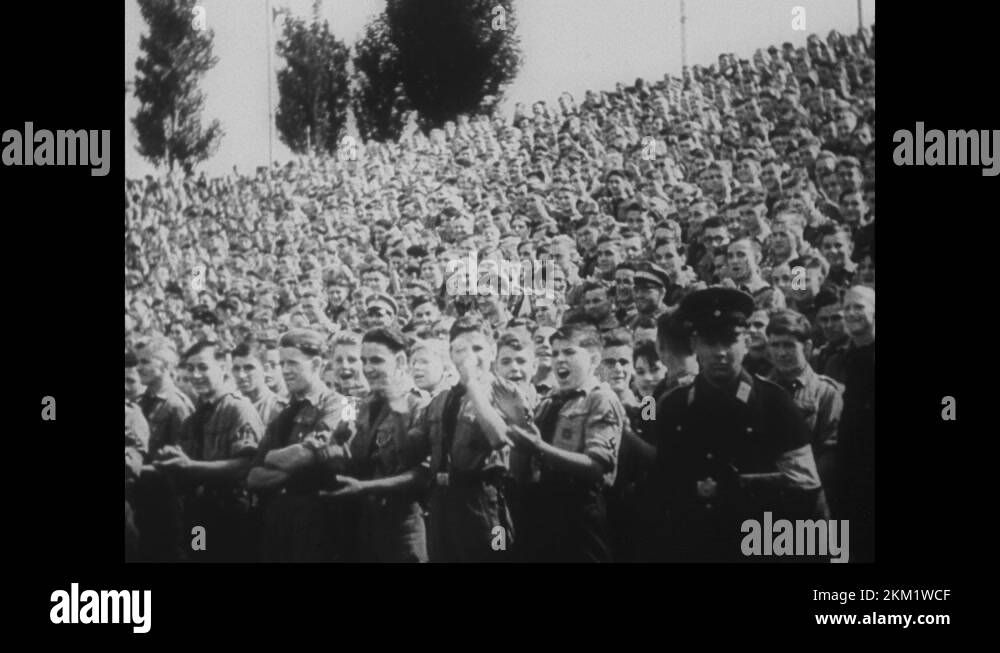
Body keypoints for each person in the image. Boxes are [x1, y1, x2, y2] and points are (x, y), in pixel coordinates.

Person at [651, 288, 825, 562]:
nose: (720, 352)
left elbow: (805, 489)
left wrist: (733, 487)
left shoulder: (775, 402)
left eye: (730, 341)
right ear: (695, 344)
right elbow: (661, 489)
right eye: (710, 341)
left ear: (745, 342)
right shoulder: (673, 406)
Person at [409, 316, 523, 562]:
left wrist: (472, 382)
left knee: (497, 555)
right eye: (460, 350)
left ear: (492, 352)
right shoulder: (441, 399)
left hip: (487, 502)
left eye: (478, 348)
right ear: (451, 354)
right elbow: (413, 448)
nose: (470, 356)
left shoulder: (504, 392)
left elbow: (499, 437)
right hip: (443, 501)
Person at [507, 323, 625, 562]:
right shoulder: (548, 402)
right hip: (541, 508)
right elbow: (521, 472)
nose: (559, 360)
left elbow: (596, 466)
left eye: (569, 352)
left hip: (580, 513)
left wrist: (539, 447)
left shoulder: (600, 399)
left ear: (593, 359)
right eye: (555, 353)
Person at [319, 328, 430, 562]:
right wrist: (333, 450)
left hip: (402, 524)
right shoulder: (360, 402)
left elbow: (421, 474)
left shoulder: (419, 404)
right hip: (365, 522)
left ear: (399, 361)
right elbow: (343, 441)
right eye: (364, 361)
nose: (367, 369)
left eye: (376, 360)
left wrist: (365, 487)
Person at [247, 329, 353, 562]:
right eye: (281, 363)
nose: (285, 370)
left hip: (317, 517)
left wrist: (271, 457)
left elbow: (301, 458)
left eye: (292, 363)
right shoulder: (283, 412)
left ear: (315, 364)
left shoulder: (340, 405)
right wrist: (289, 465)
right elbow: (253, 477)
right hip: (278, 517)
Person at [157, 340, 264, 562]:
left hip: (231, 515)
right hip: (199, 515)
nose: (195, 375)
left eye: (203, 367)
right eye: (190, 368)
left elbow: (247, 465)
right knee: (198, 555)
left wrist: (191, 467)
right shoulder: (195, 417)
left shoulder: (238, 409)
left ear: (223, 368)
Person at [765, 309, 843, 494]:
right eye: (775, 345)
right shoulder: (761, 389)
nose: (781, 353)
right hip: (765, 493)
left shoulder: (825, 393)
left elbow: (830, 452)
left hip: (808, 494)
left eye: (789, 345)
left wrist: (806, 488)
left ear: (807, 347)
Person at [834, 285, 875, 562]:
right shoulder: (847, 358)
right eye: (847, 307)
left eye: (858, 306)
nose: (850, 313)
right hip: (854, 469)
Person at [231, 339, 288, 428]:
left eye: (249, 368)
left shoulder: (278, 409)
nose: (241, 375)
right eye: (236, 368)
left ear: (264, 368)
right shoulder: (228, 406)